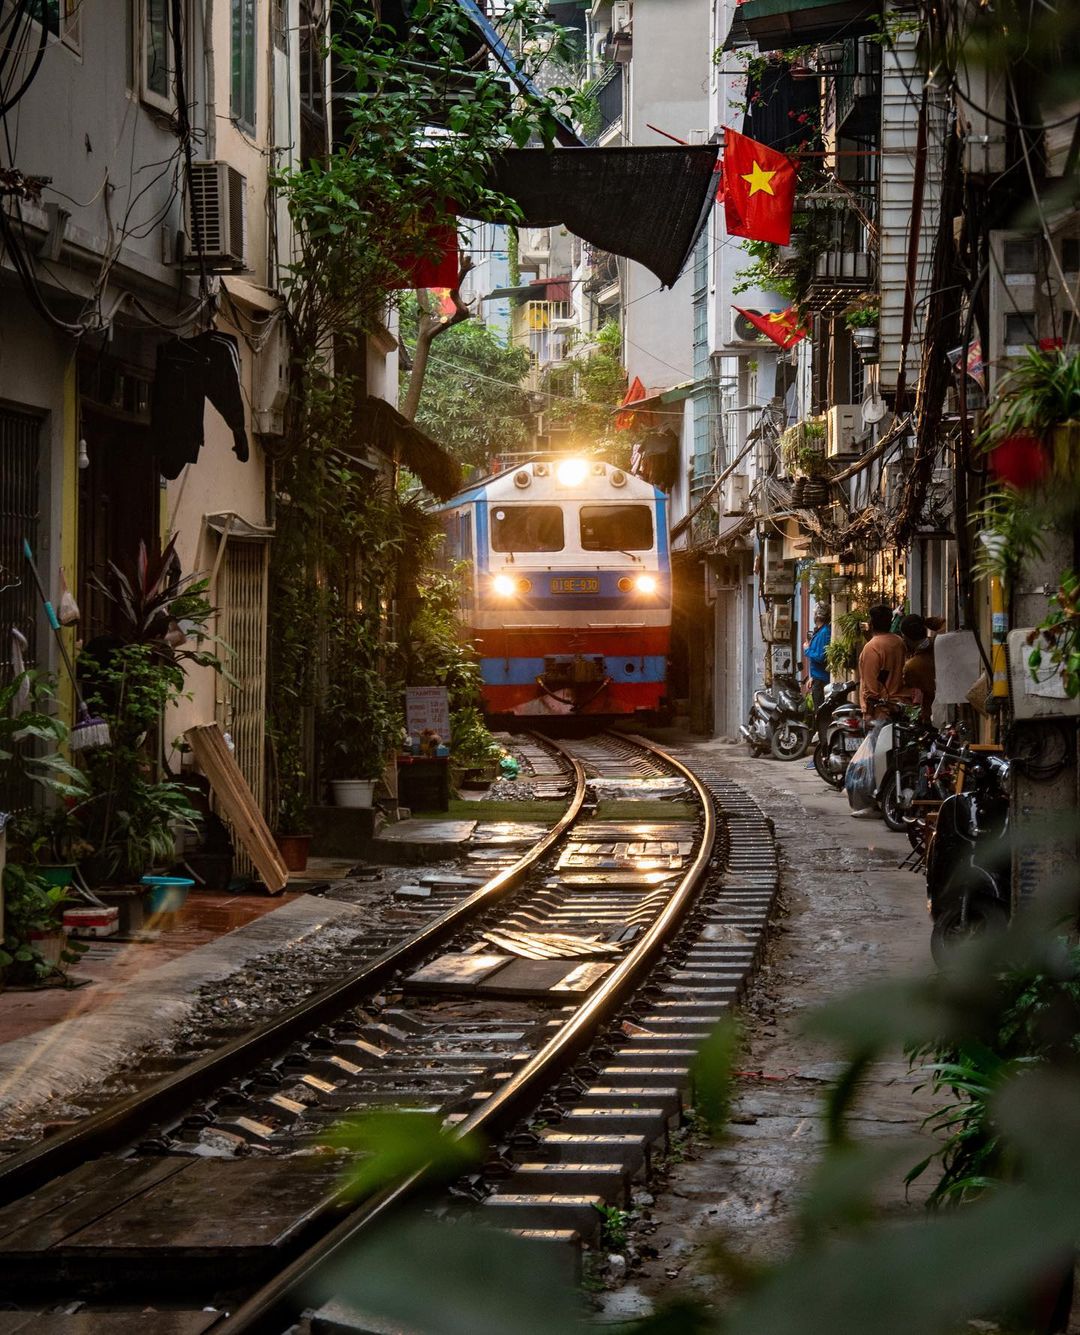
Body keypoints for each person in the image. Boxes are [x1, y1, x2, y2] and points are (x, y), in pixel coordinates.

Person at [858, 604, 907, 718]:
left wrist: (868, 714)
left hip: (883, 711)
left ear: (871, 624)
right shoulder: (899, 642)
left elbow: (871, 688)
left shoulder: (872, 647)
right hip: (901, 705)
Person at [900, 612, 937, 723]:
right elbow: (943, 623)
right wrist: (925, 620)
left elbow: (908, 684)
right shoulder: (938, 642)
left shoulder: (912, 666)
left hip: (933, 712)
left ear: (906, 638)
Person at [803, 607, 831, 716]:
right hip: (818, 678)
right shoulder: (820, 631)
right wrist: (812, 677)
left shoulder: (824, 633)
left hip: (822, 680)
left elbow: (820, 657)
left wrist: (807, 650)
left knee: (820, 713)